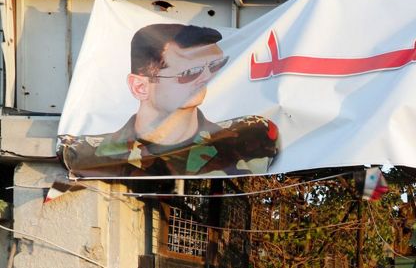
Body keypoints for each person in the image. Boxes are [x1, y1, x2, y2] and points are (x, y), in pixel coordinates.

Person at [60, 23, 279, 178]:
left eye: (214, 67)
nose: (206, 78)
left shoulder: (246, 147)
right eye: (190, 71)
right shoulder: (88, 154)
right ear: (140, 87)